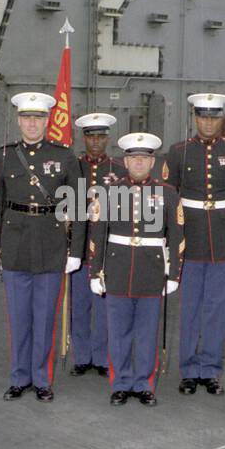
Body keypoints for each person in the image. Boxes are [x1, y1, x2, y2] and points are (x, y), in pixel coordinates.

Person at [0, 92, 86, 401]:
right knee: (18, 317)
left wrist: (76, 252)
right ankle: (19, 377)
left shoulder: (66, 156)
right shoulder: (3, 155)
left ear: (47, 121)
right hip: (14, 244)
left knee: (44, 318)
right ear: (18, 120)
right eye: (26, 117)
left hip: (51, 243)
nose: (32, 123)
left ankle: (42, 379)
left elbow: (79, 207)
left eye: (38, 118)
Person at [161, 92, 225, 396]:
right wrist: (167, 242)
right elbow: (167, 200)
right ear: (195, 118)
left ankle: (210, 370)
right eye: (203, 116)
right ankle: (188, 370)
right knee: (189, 309)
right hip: (189, 238)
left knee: (216, 308)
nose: (208, 122)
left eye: (214, 117)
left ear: (223, 119)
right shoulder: (178, 152)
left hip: (222, 237)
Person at [86, 132, 183, 406]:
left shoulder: (168, 193)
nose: (138, 163)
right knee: (117, 332)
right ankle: (121, 382)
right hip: (116, 269)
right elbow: (98, 235)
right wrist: (95, 272)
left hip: (152, 270)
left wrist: (174, 273)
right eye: (133, 158)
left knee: (147, 331)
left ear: (152, 162)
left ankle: (144, 384)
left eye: (144, 158)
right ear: (124, 162)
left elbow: (176, 235)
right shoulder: (107, 192)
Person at [68, 113, 124, 376]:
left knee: (103, 304)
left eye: (101, 136)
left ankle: (102, 357)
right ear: (84, 138)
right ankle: (82, 355)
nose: (96, 142)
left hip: (107, 248)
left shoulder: (119, 169)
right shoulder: (72, 166)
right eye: (91, 136)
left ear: (108, 138)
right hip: (78, 246)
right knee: (79, 304)